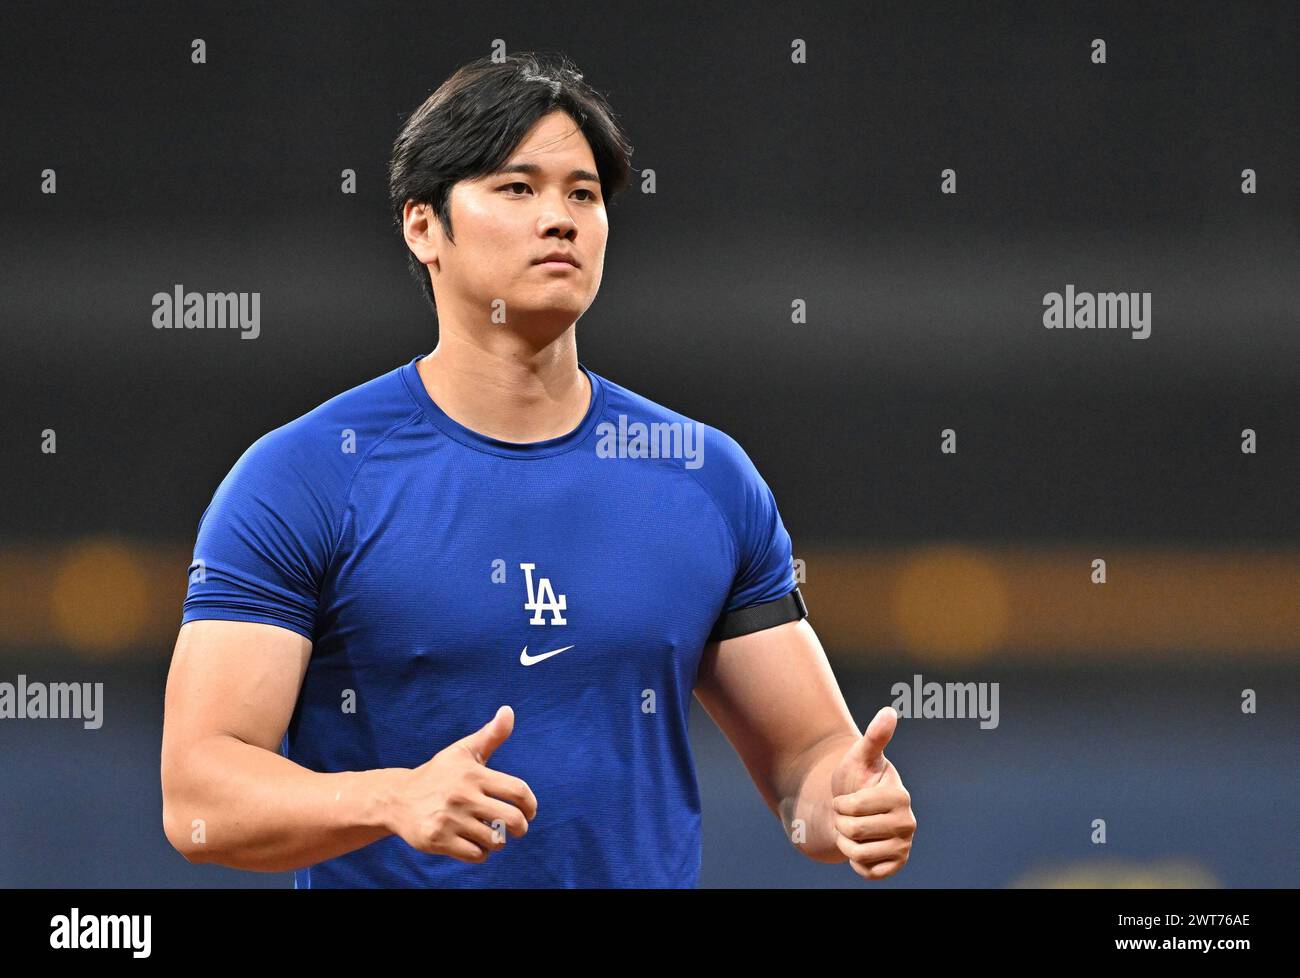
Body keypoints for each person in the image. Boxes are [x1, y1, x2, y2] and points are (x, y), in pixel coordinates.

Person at [160, 51, 915, 888]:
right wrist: (392, 800)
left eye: (582, 194)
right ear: (422, 225)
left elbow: (806, 762)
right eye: (517, 189)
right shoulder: (303, 478)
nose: (560, 218)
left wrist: (845, 803)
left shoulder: (703, 475)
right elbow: (200, 795)